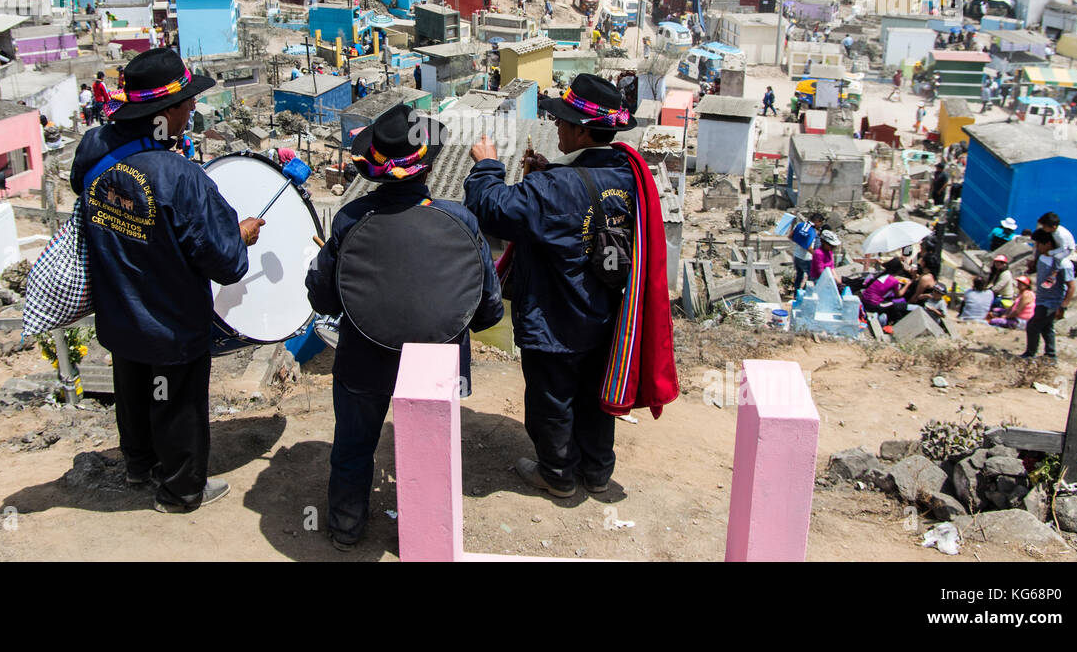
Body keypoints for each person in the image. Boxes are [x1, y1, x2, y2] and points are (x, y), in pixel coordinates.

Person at [70, 48, 265, 512]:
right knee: (178, 401)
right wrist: (242, 235)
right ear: (164, 112)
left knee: (134, 385)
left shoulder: (94, 147)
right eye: (186, 102)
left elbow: (88, 193)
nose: (193, 108)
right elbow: (226, 263)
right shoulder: (180, 176)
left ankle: (139, 464)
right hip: (172, 320)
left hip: (119, 306)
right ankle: (181, 490)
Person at [464, 74, 677, 498]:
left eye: (562, 121)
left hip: (554, 318)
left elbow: (493, 208)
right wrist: (546, 175)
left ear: (581, 129)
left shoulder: (555, 187)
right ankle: (597, 472)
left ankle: (557, 474)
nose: (556, 127)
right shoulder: (627, 172)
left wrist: (487, 165)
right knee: (593, 398)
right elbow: (580, 207)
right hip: (604, 314)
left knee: (552, 400)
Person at [306, 105, 503, 550]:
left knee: (354, 445)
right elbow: (489, 308)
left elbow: (321, 296)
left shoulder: (350, 220)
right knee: (431, 453)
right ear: (429, 165)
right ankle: (426, 540)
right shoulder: (461, 221)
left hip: (363, 360)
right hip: (437, 364)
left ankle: (345, 526)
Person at [1022, 229, 1074, 361]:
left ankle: (1030, 354)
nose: (1037, 247)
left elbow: (1071, 287)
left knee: (1033, 325)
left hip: (1051, 302)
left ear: (1049, 244)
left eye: (1039, 244)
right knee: (1046, 328)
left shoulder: (1064, 264)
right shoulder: (1043, 259)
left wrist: (1063, 306)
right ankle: (1050, 355)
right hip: (1042, 300)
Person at [789, 213, 824, 293]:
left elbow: (790, 236)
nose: (820, 225)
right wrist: (817, 255)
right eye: (820, 223)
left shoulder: (800, 225)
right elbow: (808, 246)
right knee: (812, 278)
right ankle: (804, 294)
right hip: (806, 258)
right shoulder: (812, 231)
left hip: (796, 255)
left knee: (799, 276)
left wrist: (800, 242)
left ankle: (796, 294)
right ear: (817, 221)